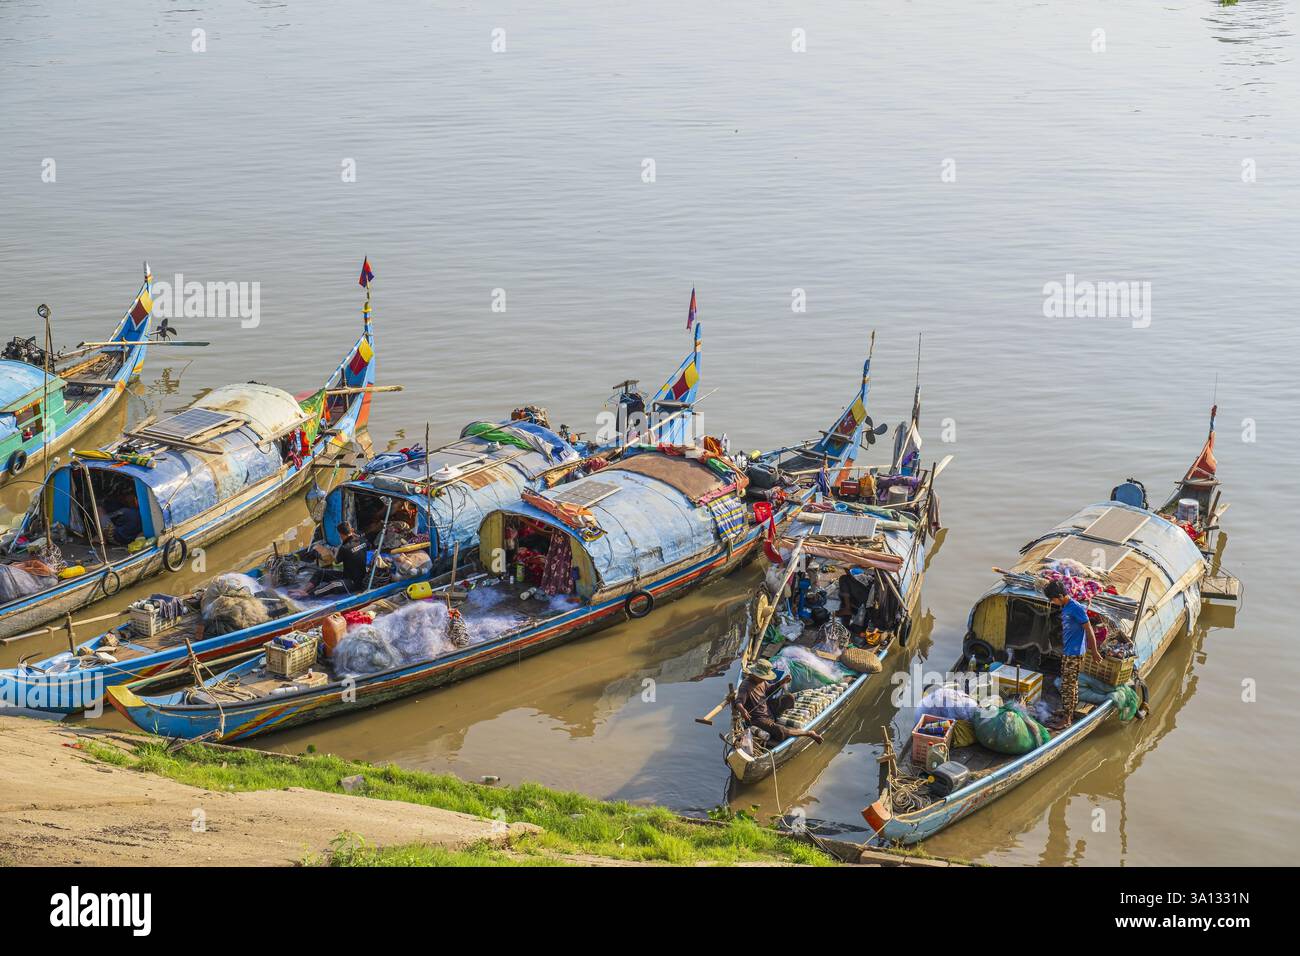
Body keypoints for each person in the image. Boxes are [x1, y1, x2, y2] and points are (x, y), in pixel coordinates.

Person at [1044, 579, 1104, 730]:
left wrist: (1094, 651)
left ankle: (1067, 718)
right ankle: (1068, 711)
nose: (1052, 602)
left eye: (1052, 599)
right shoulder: (1066, 607)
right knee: (1069, 683)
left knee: (1068, 686)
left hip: (1075, 653)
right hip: (1069, 651)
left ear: (1059, 595)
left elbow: (1089, 629)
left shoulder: (1075, 608)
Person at [734, 659, 823, 746]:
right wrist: (742, 710)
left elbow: (769, 690)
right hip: (758, 719)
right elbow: (738, 701)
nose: (763, 679)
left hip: (768, 710)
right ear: (755, 674)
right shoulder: (745, 686)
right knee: (780, 730)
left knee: (789, 698)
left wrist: (782, 681)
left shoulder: (761, 681)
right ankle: (809, 733)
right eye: (762, 677)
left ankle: (780, 720)